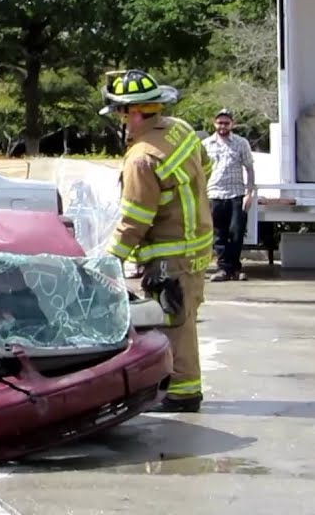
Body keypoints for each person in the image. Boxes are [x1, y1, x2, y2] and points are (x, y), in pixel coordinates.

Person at [100, 69, 214, 413]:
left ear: (133, 113)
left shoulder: (141, 158)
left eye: (121, 113)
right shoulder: (179, 129)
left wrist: (107, 260)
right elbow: (204, 169)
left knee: (173, 324)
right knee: (185, 319)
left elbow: (134, 219)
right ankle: (182, 387)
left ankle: (181, 393)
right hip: (196, 245)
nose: (120, 121)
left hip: (170, 254)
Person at [201, 108, 256, 282]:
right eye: (220, 122)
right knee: (219, 234)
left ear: (233, 124)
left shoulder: (241, 143)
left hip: (236, 194)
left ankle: (235, 268)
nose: (223, 126)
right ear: (214, 123)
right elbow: (199, 171)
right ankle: (223, 268)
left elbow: (249, 168)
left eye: (226, 123)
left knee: (236, 232)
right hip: (214, 193)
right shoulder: (206, 144)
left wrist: (249, 193)